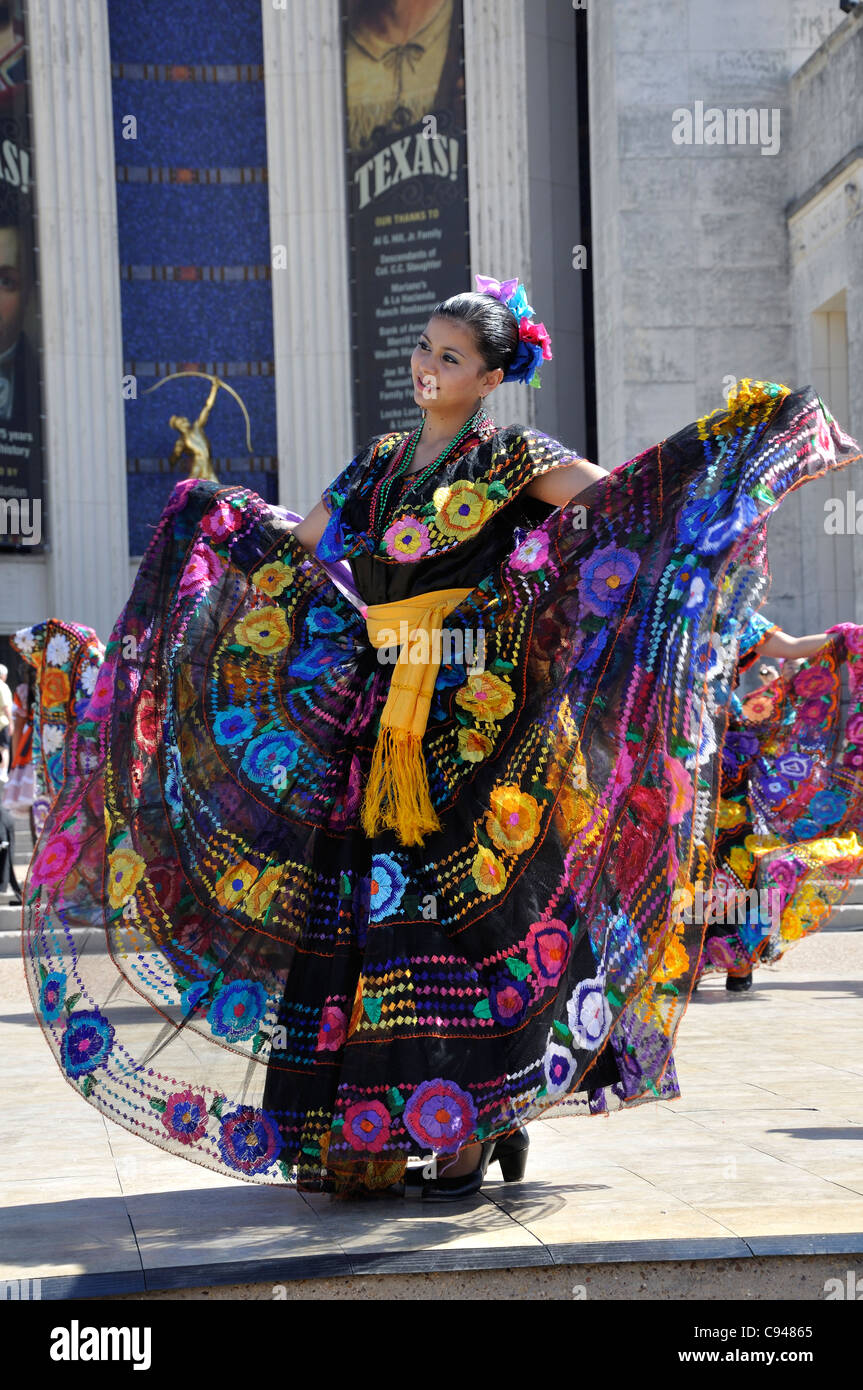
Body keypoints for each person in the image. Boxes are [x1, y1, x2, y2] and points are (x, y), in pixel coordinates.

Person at [21, 276, 863, 1200]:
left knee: (463, 917)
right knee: (363, 916)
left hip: (476, 722)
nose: (426, 367)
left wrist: (730, 448)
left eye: (449, 356)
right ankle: (372, 1126)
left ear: (494, 374)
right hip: (376, 714)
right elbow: (301, 546)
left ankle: (474, 1124)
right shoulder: (379, 464)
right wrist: (218, 519)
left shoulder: (516, 455)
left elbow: (626, 508)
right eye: (422, 348)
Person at [698, 611, 863, 992]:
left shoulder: (732, 609)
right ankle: (686, 953)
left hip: (724, 751)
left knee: (732, 850)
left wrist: (847, 638)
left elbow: (788, 646)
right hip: (669, 747)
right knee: (688, 857)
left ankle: (735, 955)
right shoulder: (666, 604)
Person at [0, 661, 12, 780]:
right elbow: (6, 707)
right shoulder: (2, 686)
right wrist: (11, 723)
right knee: (4, 748)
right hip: (2, 722)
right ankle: (3, 773)